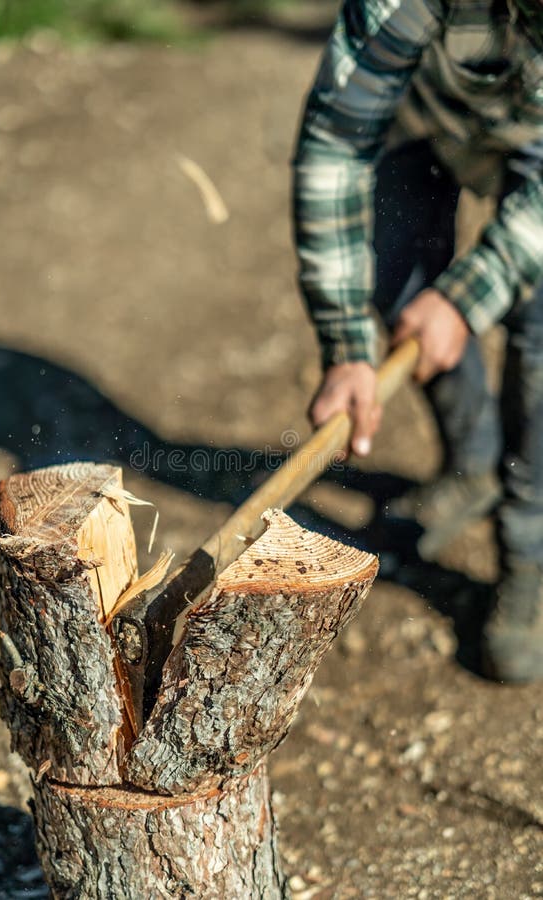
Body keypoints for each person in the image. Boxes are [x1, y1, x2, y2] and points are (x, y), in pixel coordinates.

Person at [293, 0, 543, 682]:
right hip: (425, 97)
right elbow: (338, 142)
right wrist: (346, 343)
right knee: (393, 267)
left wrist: (466, 297)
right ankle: (473, 467)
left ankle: (530, 547)